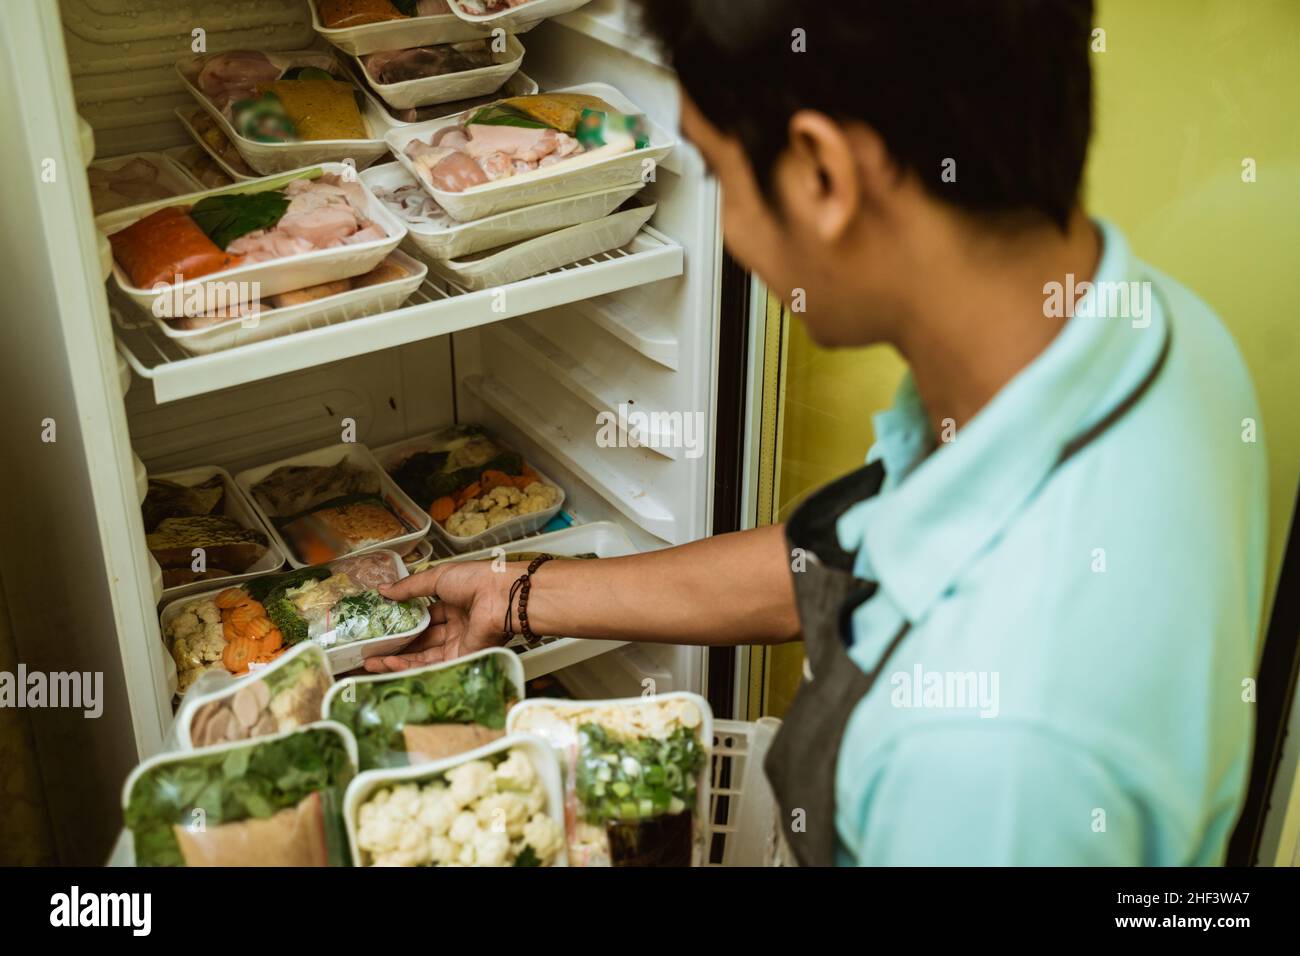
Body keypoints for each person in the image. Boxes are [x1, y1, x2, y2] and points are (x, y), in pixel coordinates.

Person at [373, 0, 1268, 866]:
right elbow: (848, 560)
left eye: (721, 178)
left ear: (823, 178)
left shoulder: (985, 763)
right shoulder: (1145, 327)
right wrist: (518, 589)